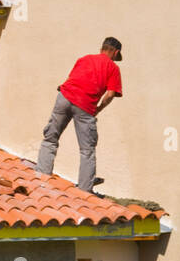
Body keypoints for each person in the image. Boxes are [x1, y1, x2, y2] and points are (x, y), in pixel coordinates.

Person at [36, 37, 123, 192]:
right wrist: (99, 109)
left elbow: (73, 79)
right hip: (85, 106)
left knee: (50, 139)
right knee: (87, 150)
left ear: (101, 48)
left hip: (64, 97)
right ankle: (84, 191)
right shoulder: (113, 68)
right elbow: (110, 94)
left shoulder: (84, 59)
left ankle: (41, 180)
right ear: (116, 53)